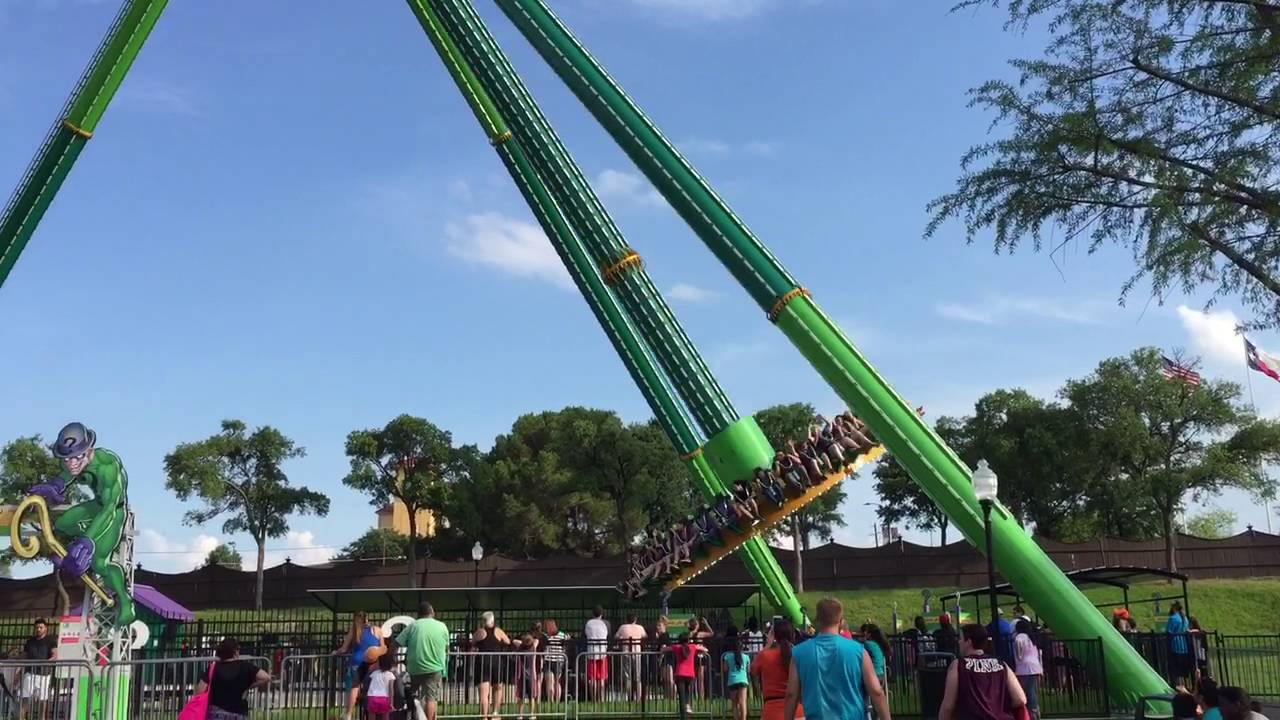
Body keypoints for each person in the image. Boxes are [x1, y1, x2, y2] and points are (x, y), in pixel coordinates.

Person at [25, 422, 136, 625]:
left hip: (113, 511)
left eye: (77, 457)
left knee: (100, 563)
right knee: (62, 524)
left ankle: (125, 600)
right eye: (66, 458)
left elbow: (109, 509)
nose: (71, 463)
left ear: (89, 451)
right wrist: (55, 487)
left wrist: (88, 540)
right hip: (96, 506)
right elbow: (66, 475)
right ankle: (76, 552)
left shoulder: (107, 467)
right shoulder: (72, 462)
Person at [785, 597, 890, 720]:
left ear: (817, 620)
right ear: (841, 621)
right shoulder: (858, 651)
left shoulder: (799, 653)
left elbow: (791, 694)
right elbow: (876, 691)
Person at [938, 624, 1026, 720]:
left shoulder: (958, 665)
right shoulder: (1002, 664)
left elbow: (948, 706)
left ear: (969, 642)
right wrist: (1000, 707)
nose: (959, 642)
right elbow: (1020, 699)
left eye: (961, 639)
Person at [396, 601, 450, 720]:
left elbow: (397, 642)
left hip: (415, 667)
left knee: (412, 695)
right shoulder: (442, 626)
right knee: (431, 698)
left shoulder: (413, 626)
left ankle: (413, 714)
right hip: (435, 667)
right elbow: (447, 647)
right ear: (432, 612)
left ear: (419, 614)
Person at [195, 637, 272, 720]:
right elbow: (266, 677)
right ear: (235, 652)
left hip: (216, 713)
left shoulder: (213, 668)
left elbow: (200, 690)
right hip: (238, 712)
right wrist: (249, 686)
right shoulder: (245, 667)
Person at [332, 611, 384, 720]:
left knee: (354, 688)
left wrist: (336, 652)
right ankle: (371, 714)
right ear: (367, 619)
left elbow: (344, 649)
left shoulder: (354, 630)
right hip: (372, 663)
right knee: (371, 689)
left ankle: (349, 714)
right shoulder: (377, 630)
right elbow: (382, 648)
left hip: (356, 662)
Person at [752, 618, 802, 720]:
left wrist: (767, 645)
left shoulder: (764, 656)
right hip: (798, 711)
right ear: (793, 635)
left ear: (774, 636)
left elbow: (752, 671)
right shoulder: (799, 654)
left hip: (772, 711)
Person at [472, 611, 510, 720]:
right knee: (498, 689)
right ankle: (495, 713)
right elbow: (508, 641)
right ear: (493, 620)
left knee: (484, 693)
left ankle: (484, 716)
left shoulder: (479, 632)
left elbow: (473, 642)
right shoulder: (498, 631)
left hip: (483, 662)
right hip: (496, 662)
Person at [16, 618, 56, 720]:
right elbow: (24, 656)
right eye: (37, 627)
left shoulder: (50, 640)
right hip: (29, 673)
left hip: (44, 675)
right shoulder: (30, 641)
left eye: (41, 627)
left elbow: (55, 655)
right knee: (25, 699)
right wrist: (18, 669)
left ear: (46, 628)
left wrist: (47, 662)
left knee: (43, 701)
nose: (38, 629)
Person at [668, 618, 707, 720]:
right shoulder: (693, 647)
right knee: (687, 693)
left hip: (680, 674)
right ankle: (688, 707)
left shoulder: (677, 647)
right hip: (690, 675)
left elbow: (664, 649)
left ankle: (683, 716)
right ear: (688, 640)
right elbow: (705, 649)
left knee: (681, 697)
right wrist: (701, 651)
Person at [1013, 619, 1043, 720]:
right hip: (1035, 666)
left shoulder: (1019, 638)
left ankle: (1032, 711)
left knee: (1028, 691)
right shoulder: (1031, 637)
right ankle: (1035, 710)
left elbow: (1019, 655)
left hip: (1024, 667)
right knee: (1032, 689)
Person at [616, 613, 648, 702]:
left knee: (627, 676)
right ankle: (638, 697)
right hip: (637, 653)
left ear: (626, 620)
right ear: (635, 619)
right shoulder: (640, 627)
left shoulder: (623, 627)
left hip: (626, 652)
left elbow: (616, 636)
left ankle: (630, 697)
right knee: (638, 676)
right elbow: (645, 636)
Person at [722, 628, 752, 720]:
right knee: (743, 703)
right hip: (743, 680)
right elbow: (748, 670)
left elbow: (725, 669)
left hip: (732, 680)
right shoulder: (746, 657)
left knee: (734, 704)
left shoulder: (727, 656)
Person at [584, 606, 610, 702]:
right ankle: (601, 699)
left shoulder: (588, 623)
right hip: (602, 652)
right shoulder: (606, 623)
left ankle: (593, 699)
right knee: (602, 677)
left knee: (592, 678)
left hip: (591, 651)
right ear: (602, 614)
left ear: (592, 614)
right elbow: (609, 635)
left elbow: (585, 636)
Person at [1167, 601, 1193, 686]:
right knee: (1183, 670)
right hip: (1184, 647)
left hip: (1175, 646)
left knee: (1174, 670)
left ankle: (1176, 686)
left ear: (1174, 607)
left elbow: (1169, 632)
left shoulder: (1173, 618)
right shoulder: (1185, 618)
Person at [365, 653, 398, 720]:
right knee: (385, 716)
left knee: (371, 716)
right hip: (384, 698)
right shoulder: (390, 675)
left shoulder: (374, 674)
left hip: (372, 697)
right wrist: (391, 703)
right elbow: (391, 690)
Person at [542, 618, 567, 704]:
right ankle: (557, 702)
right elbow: (566, 645)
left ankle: (551, 701)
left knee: (549, 682)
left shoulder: (546, 636)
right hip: (559, 660)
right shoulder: (562, 635)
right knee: (557, 682)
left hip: (548, 660)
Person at [861, 623, 891, 693]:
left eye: (866, 632)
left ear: (869, 634)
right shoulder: (877, 644)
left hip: (873, 674)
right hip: (881, 674)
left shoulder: (868, 644)